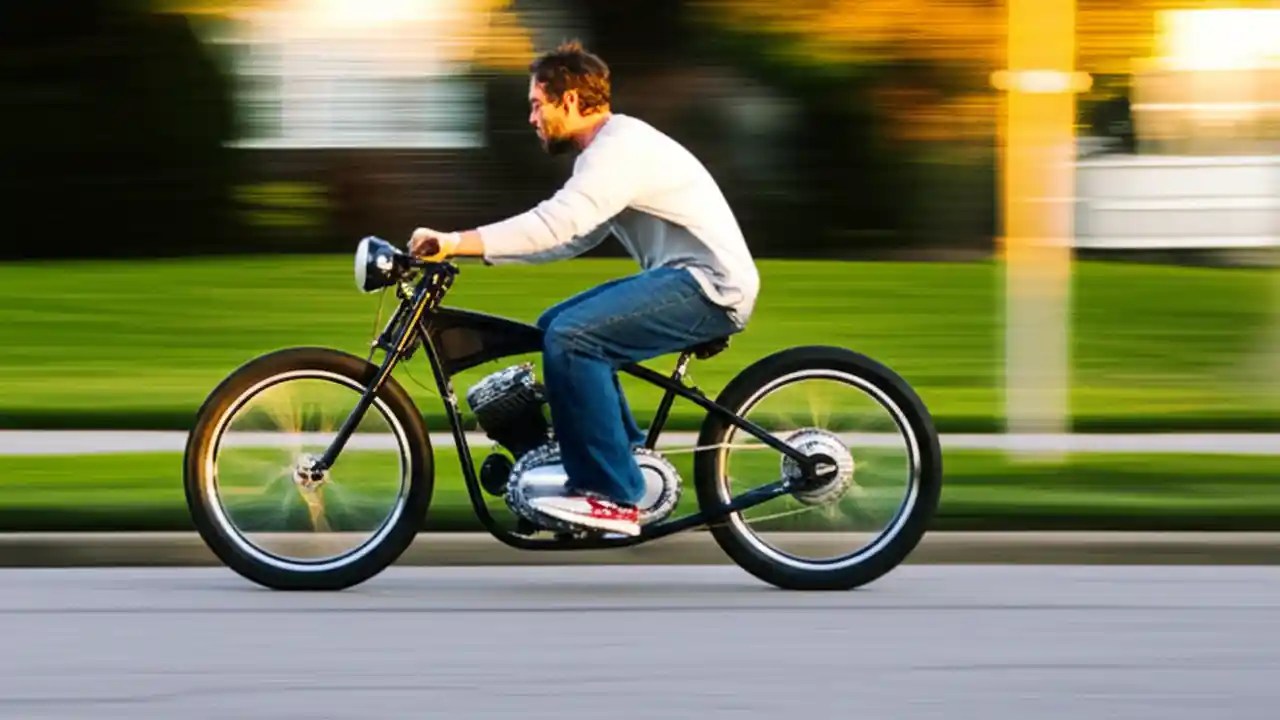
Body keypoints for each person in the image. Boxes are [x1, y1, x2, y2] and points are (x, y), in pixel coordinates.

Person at [409, 40, 759, 537]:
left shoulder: (619, 150)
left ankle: (612, 495)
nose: (532, 118)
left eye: (536, 104)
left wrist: (455, 242)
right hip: (685, 278)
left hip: (708, 286)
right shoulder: (610, 153)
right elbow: (571, 236)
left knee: (574, 338)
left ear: (569, 100)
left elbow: (558, 222)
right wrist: (473, 251)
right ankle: (628, 462)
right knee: (556, 326)